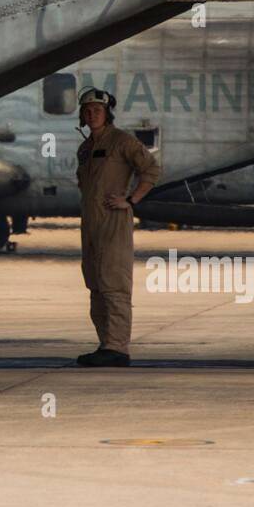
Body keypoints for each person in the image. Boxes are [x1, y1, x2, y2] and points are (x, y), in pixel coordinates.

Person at [73, 87, 159, 367]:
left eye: (97, 110)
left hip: (113, 223)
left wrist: (131, 200)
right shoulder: (85, 148)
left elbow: (151, 169)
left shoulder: (122, 141)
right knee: (96, 286)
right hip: (91, 225)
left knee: (114, 286)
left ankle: (118, 347)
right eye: (87, 111)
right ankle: (105, 345)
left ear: (106, 113)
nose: (92, 114)